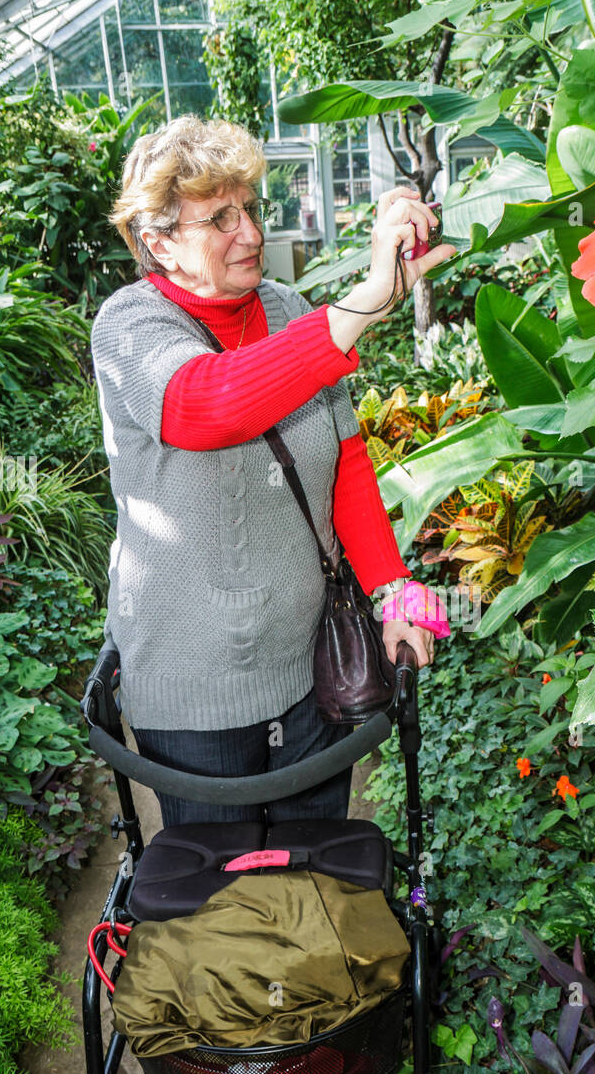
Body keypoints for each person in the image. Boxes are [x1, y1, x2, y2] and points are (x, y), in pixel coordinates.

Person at [92, 113, 457, 828]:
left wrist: (394, 588)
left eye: (250, 210)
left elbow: (344, 459)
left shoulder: (285, 309)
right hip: (192, 694)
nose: (252, 234)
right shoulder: (128, 326)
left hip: (312, 670)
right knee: (224, 908)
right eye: (218, 219)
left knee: (313, 882)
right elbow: (207, 405)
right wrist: (358, 309)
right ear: (157, 242)